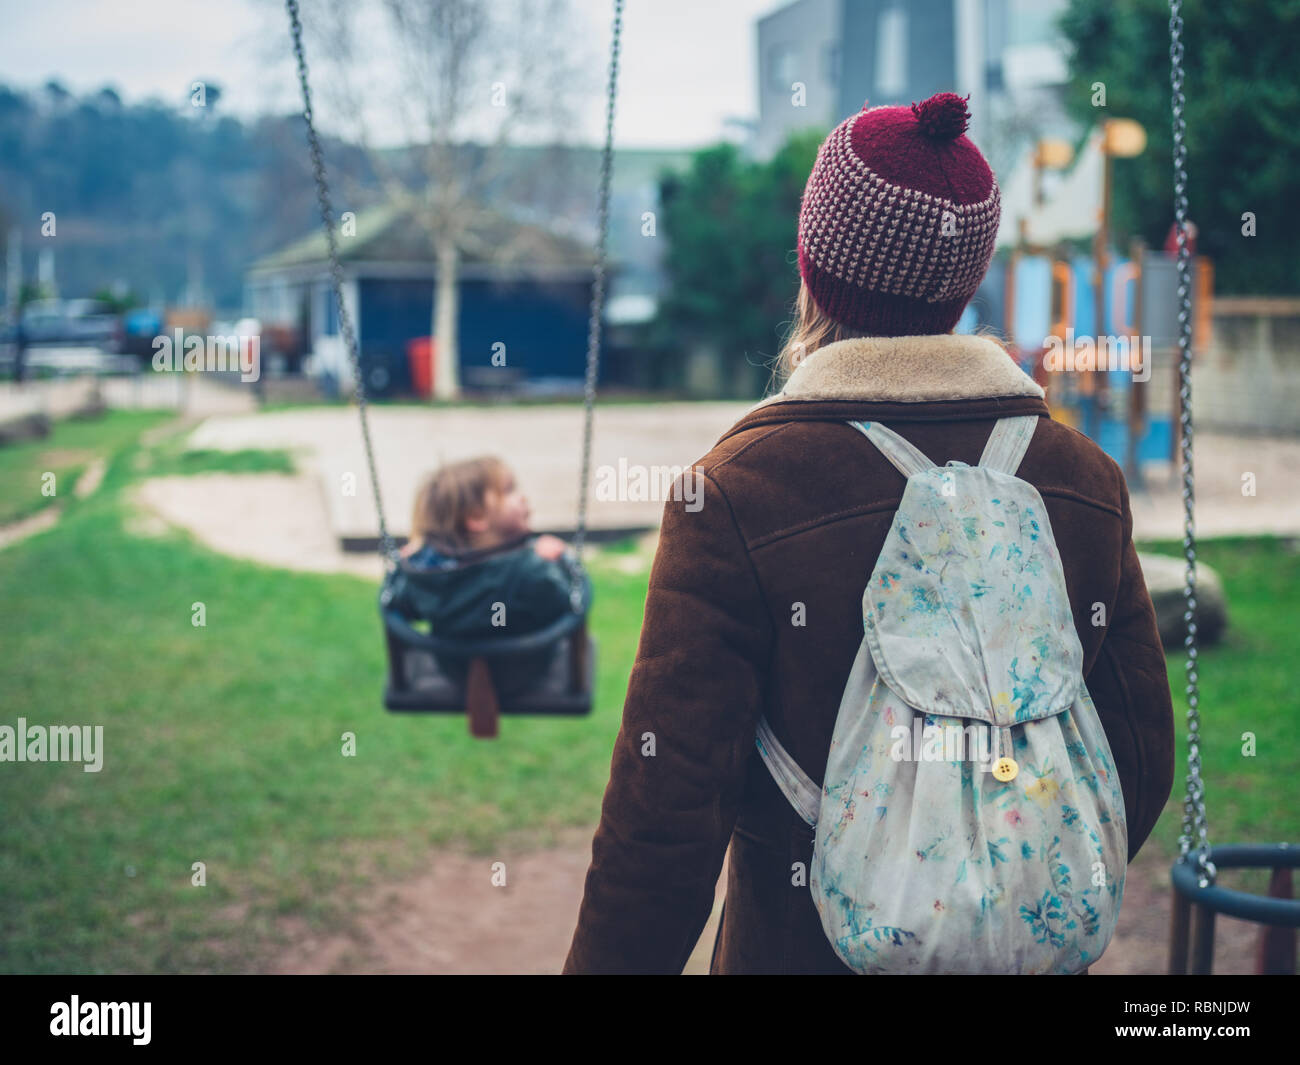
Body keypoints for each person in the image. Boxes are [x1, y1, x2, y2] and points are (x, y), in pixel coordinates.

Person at [562, 94, 1175, 974]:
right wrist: (995, 890)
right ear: (967, 284)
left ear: (814, 265)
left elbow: (664, 821)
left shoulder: (737, 491)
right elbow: (1138, 749)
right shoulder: (1082, 479)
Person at [386, 455, 577, 701]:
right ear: (476, 517)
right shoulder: (528, 570)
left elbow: (404, 606)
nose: (523, 497)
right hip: (522, 671)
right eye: (509, 490)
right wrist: (553, 562)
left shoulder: (425, 573)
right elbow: (563, 602)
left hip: (456, 672)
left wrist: (407, 566)